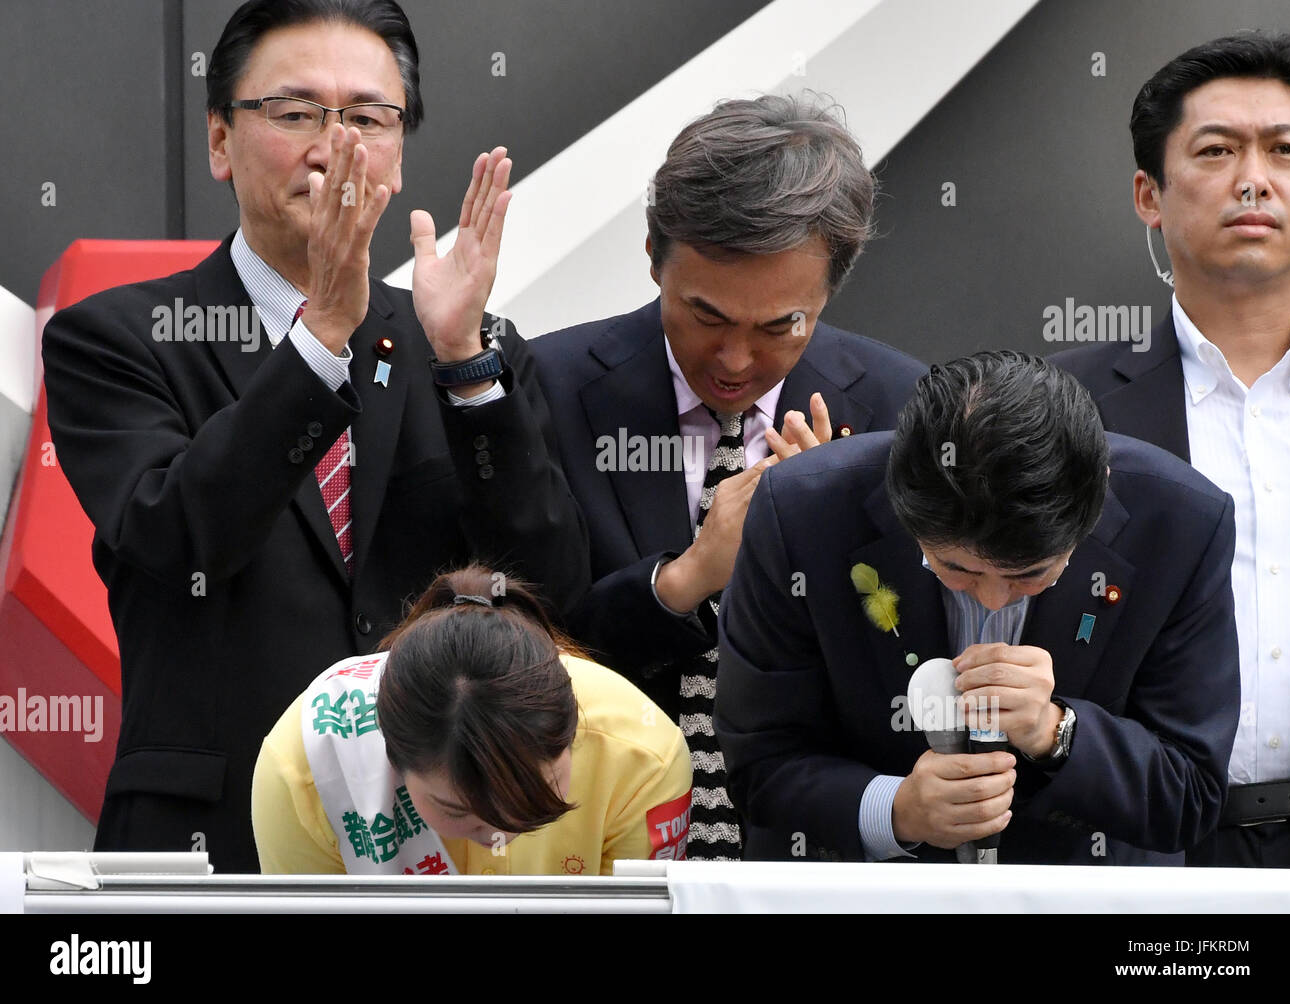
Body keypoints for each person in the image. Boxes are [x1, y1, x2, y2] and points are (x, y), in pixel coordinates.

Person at [40, 0, 586, 873]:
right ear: (220, 142)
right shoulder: (116, 337)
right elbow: (178, 535)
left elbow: (550, 589)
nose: (336, 146)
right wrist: (321, 336)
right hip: (210, 837)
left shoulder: (459, 342)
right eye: (296, 114)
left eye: (370, 118)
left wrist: (462, 364)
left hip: (440, 833)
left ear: (400, 153)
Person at [530, 94, 926, 858]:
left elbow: (921, 670)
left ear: (829, 290)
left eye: (780, 327)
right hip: (592, 853)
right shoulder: (548, 387)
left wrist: (838, 558)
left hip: (819, 865)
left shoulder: (901, 411)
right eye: (707, 317)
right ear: (653, 255)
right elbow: (519, 643)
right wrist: (688, 578)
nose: (737, 362)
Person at [716, 351, 1239, 865]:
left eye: (1029, 575)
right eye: (956, 569)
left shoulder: (1182, 522)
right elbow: (759, 762)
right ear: (901, 502)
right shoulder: (802, 510)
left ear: (1095, 502)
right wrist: (896, 810)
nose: (990, 600)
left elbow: (1190, 797)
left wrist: (1056, 731)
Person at [1054, 30, 1290, 866]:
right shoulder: (1062, 410)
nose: (1254, 179)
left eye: (1286, 150)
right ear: (1148, 195)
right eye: (1218, 150)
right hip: (1134, 844)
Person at [252, 565, 691, 875]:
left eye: (531, 797)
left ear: (573, 729)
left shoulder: (642, 755)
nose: (500, 832)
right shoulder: (307, 767)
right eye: (458, 810)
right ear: (390, 754)